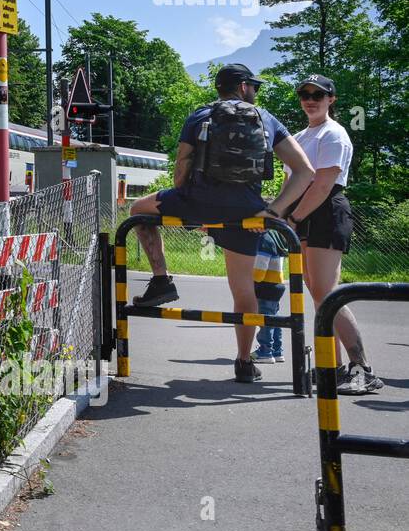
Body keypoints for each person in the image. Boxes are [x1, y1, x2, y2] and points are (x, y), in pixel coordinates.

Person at [128, 63, 315, 383]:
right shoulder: (266, 118)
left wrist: (189, 206)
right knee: (243, 289)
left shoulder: (200, 115)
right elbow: (305, 172)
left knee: (137, 210)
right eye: (253, 86)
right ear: (243, 86)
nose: (256, 91)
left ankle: (161, 280)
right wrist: (275, 212)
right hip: (246, 212)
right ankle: (244, 361)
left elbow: (182, 166)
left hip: (196, 203)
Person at [285, 74, 382, 395]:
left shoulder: (334, 134)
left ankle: (362, 369)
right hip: (301, 213)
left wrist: (295, 217)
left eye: (318, 94)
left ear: (331, 99)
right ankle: (333, 367)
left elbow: (324, 184)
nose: (310, 99)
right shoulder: (299, 136)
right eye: (304, 94)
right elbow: (293, 183)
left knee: (328, 293)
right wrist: (281, 214)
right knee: (316, 292)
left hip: (325, 210)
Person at [250, 228, 288, 364]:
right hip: (276, 285)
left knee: (265, 321)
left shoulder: (264, 239)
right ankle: (277, 351)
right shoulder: (276, 235)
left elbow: (260, 270)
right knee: (274, 320)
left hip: (265, 286)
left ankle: (265, 351)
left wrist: (248, 277)